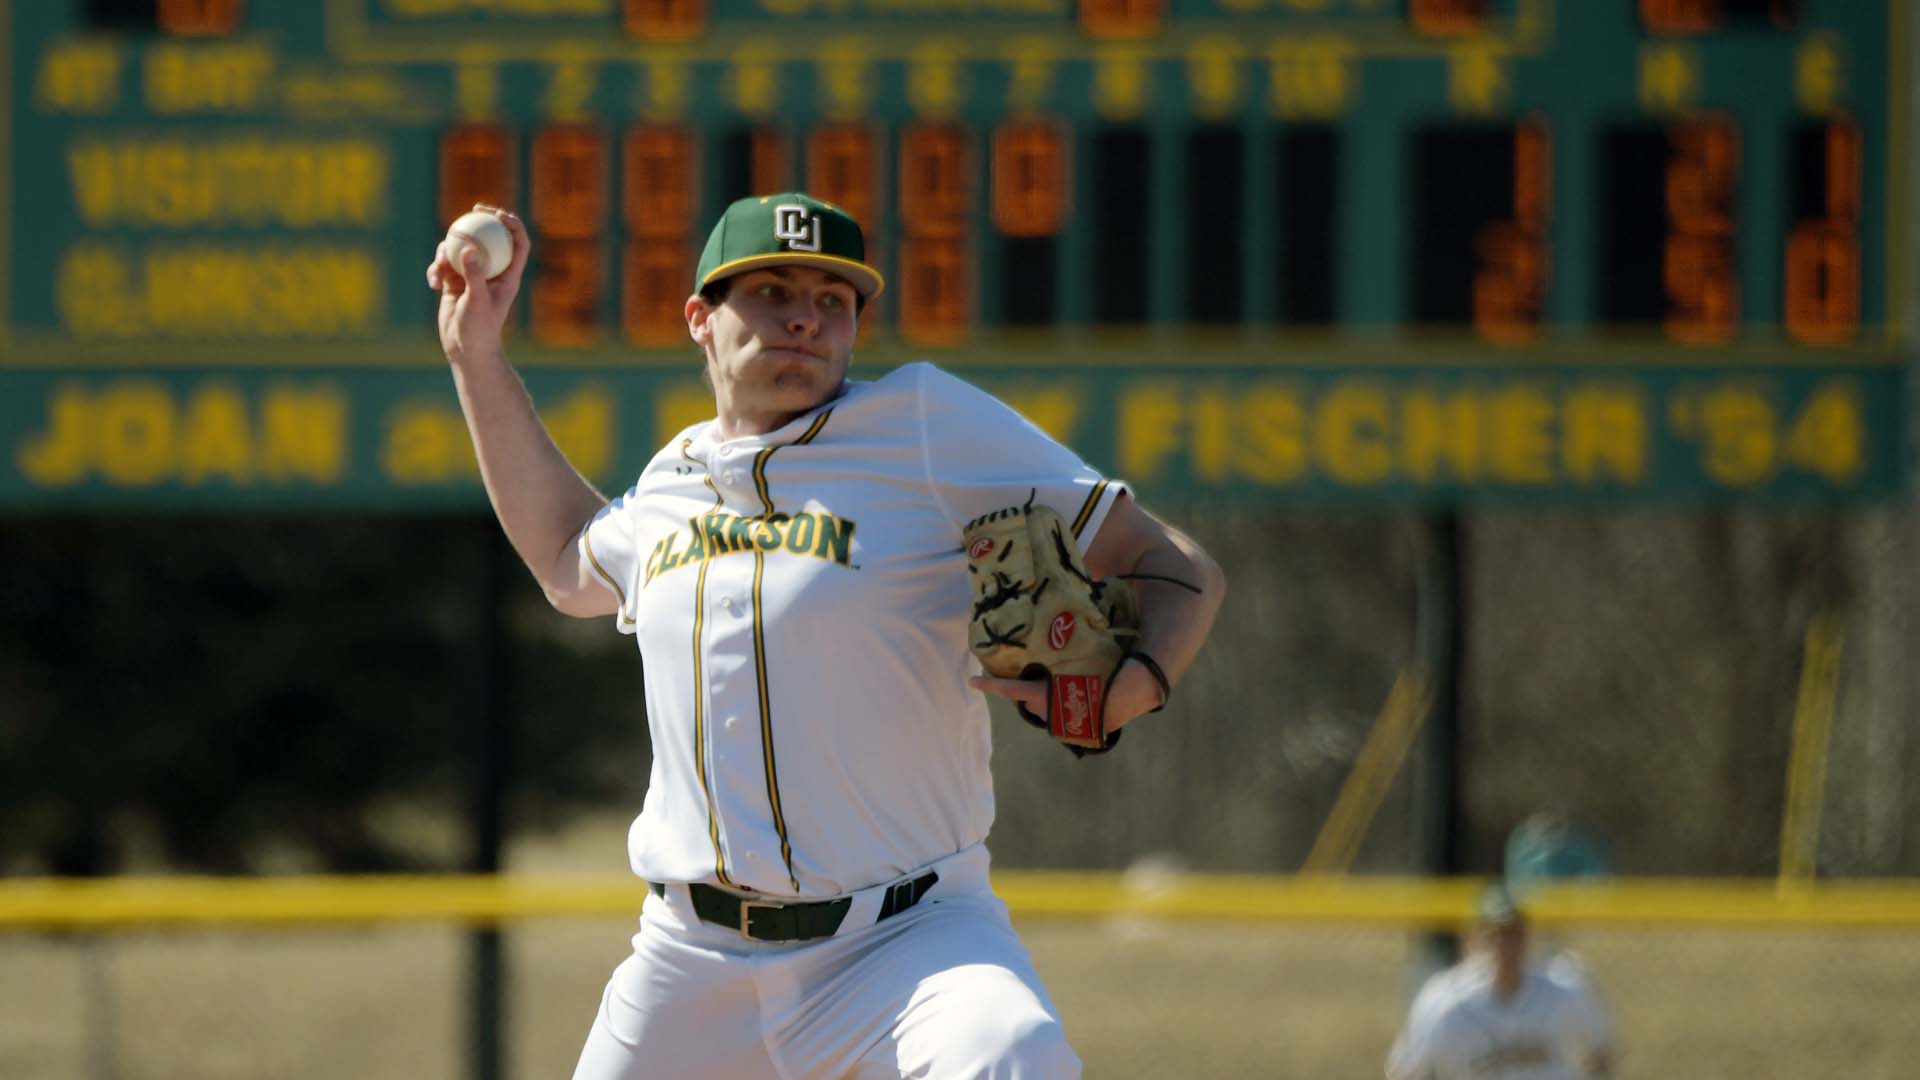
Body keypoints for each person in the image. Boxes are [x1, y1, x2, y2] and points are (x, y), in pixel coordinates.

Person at [426, 192, 1226, 1079]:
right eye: (770, 291)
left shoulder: (923, 425)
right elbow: (567, 559)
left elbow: (1175, 565)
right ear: (700, 319)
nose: (805, 316)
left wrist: (1137, 682)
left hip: (907, 943)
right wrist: (476, 356)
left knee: (1012, 1053)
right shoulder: (673, 479)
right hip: (691, 962)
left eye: (832, 300)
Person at [1386, 884, 1615, 1080]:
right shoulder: (1443, 1000)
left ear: (1528, 935)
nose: (1505, 945)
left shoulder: (1564, 988)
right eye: (1494, 934)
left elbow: (1602, 1053)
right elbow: (1405, 1072)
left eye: (1514, 933)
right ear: (1472, 939)